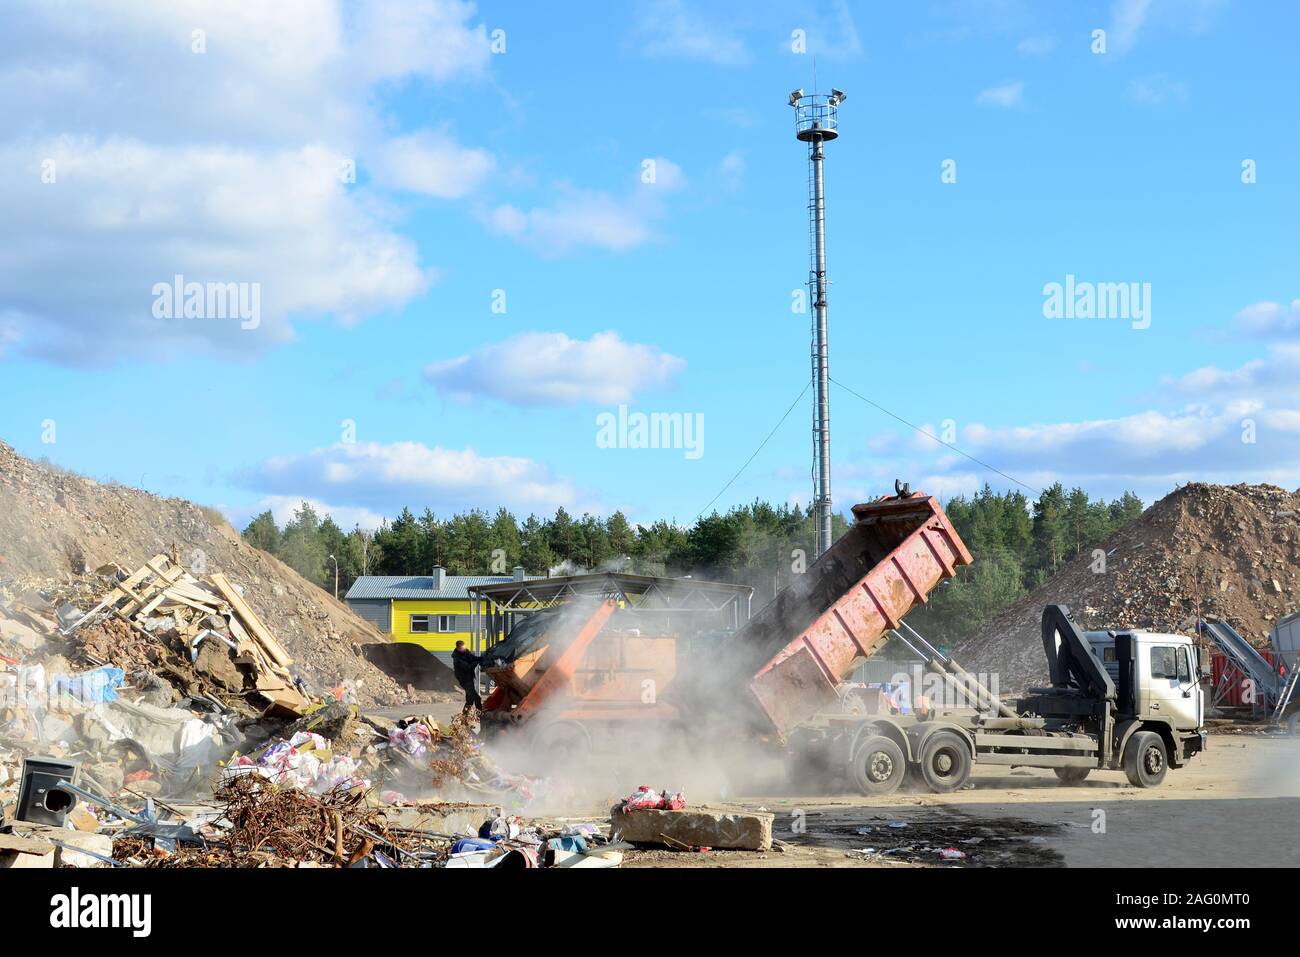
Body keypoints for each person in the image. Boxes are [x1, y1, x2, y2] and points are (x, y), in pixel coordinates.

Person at [452, 640, 483, 712]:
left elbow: (473, 658)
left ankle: (465, 716)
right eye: (463, 649)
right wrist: (476, 662)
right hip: (464, 680)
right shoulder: (457, 658)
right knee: (477, 698)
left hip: (469, 678)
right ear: (458, 649)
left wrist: (481, 658)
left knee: (470, 699)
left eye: (465, 648)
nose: (465, 650)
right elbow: (467, 667)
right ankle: (481, 714)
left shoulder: (466, 652)